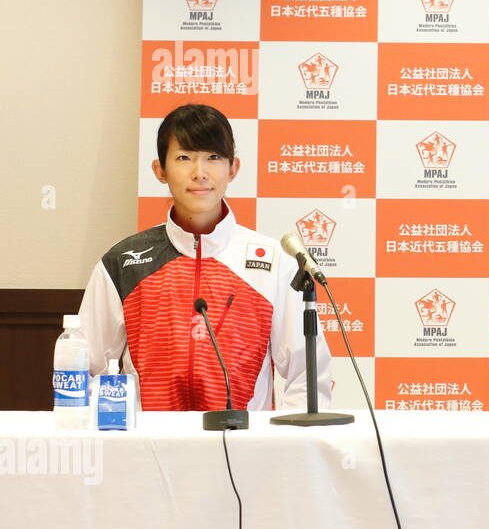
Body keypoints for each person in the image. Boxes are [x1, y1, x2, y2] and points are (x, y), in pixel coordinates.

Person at [77, 103, 332, 412]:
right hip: (149, 449)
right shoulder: (122, 262)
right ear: (160, 170)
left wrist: (282, 447)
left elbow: (306, 374)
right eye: (184, 158)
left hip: (241, 450)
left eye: (213, 158)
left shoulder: (275, 261)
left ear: (233, 168)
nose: (200, 173)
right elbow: (84, 366)